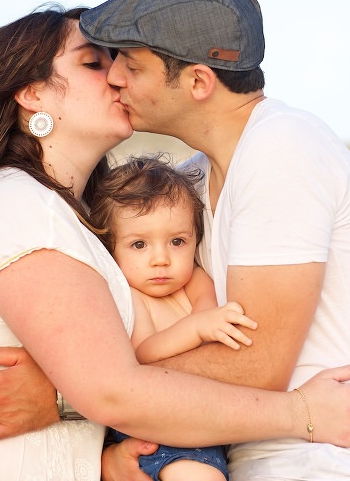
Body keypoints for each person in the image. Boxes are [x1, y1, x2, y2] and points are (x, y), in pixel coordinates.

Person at [0, 4, 350, 481]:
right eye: (94, 63)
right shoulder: (21, 206)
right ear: (33, 94)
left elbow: (96, 379)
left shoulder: (79, 219)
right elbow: (111, 388)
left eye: (121, 62)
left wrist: (100, 456)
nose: (117, 76)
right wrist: (303, 413)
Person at [89, 155, 259, 480]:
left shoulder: (195, 279)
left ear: (195, 239)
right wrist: (196, 329)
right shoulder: (129, 295)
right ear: (111, 249)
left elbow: (210, 317)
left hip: (203, 418)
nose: (161, 260)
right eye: (139, 244)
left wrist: (205, 323)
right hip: (157, 427)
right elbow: (144, 353)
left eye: (177, 242)